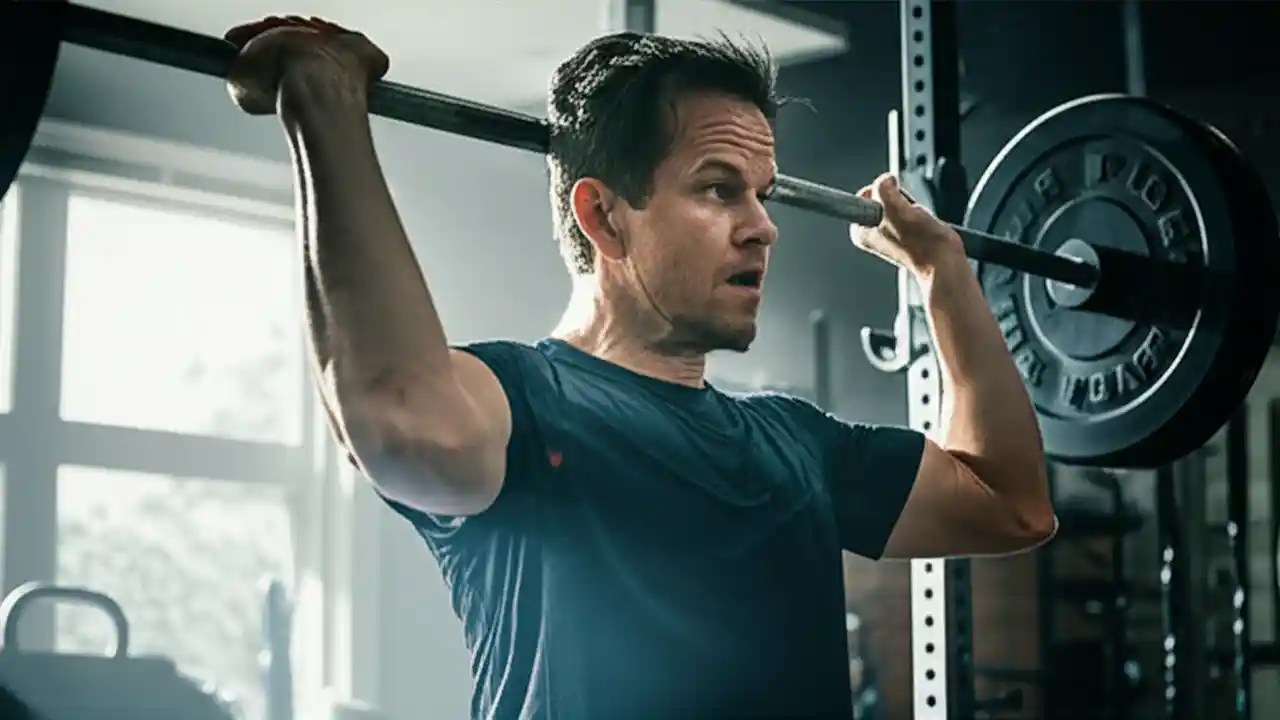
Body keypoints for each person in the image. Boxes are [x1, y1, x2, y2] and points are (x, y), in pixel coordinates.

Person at [224, 17, 1057, 720]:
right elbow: (396, 414)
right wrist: (326, 104)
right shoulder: (525, 402)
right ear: (603, 216)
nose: (762, 227)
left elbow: (1010, 505)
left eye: (763, 194)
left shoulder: (796, 441)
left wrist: (943, 274)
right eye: (719, 189)